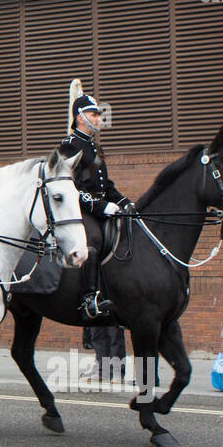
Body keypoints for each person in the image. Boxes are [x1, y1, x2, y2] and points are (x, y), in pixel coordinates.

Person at [59, 78, 131, 320]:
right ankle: (88, 299)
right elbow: (71, 187)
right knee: (94, 240)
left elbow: (106, 185)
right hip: (79, 211)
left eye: (99, 114)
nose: (99, 118)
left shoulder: (95, 147)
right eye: (94, 114)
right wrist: (101, 207)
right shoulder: (69, 146)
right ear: (80, 117)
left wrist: (123, 203)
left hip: (101, 207)